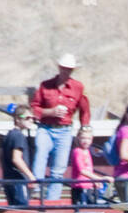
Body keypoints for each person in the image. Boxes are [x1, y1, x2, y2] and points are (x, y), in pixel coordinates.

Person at [29, 53, 90, 201]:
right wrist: (50, 112)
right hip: (45, 127)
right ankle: (35, 189)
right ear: (59, 68)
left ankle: (52, 200)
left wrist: (84, 129)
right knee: (40, 156)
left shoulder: (77, 87)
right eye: (64, 68)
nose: (66, 72)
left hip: (64, 130)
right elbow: (34, 108)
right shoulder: (45, 86)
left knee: (58, 169)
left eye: (69, 69)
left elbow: (85, 109)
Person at [0, 106, 37, 206]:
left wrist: (7, 170)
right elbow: (16, 159)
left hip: (8, 179)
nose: (31, 120)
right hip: (18, 181)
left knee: (13, 211)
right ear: (17, 119)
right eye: (27, 118)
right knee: (22, 210)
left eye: (32, 118)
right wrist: (31, 176)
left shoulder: (9, 135)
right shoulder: (19, 136)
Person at [68, 125, 107, 206]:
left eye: (88, 138)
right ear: (78, 138)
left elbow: (89, 170)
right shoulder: (77, 151)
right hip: (79, 187)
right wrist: (98, 178)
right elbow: (82, 170)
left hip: (88, 187)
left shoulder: (87, 151)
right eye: (83, 138)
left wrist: (94, 181)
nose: (86, 141)